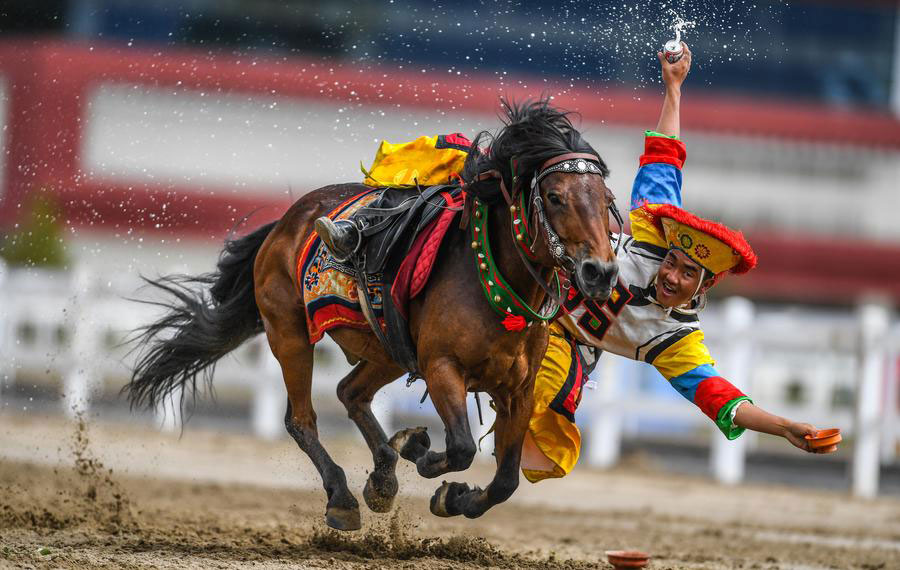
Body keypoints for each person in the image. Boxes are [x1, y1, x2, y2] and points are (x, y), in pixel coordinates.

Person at [521, 43, 828, 482]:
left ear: (702, 288)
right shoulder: (652, 236)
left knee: (543, 441)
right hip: (535, 274)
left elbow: (721, 399)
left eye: (687, 274)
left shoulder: (676, 341)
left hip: (565, 342)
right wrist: (674, 88)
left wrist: (785, 428)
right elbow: (664, 157)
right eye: (674, 263)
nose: (671, 275)